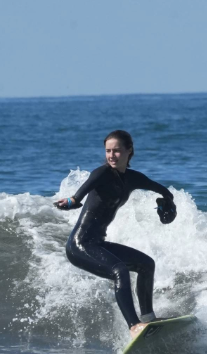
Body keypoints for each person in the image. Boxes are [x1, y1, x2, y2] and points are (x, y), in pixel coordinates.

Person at [54, 130, 178, 338]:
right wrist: (70, 202)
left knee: (147, 264)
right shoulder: (101, 174)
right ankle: (134, 326)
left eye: (117, 151)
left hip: (98, 244)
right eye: (108, 151)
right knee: (119, 270)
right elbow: (78, 197)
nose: (111, 156)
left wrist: (167, 205)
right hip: (80, 245)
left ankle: (148, 318)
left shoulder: (133, 178)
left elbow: (165, 191)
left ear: (129, 151)